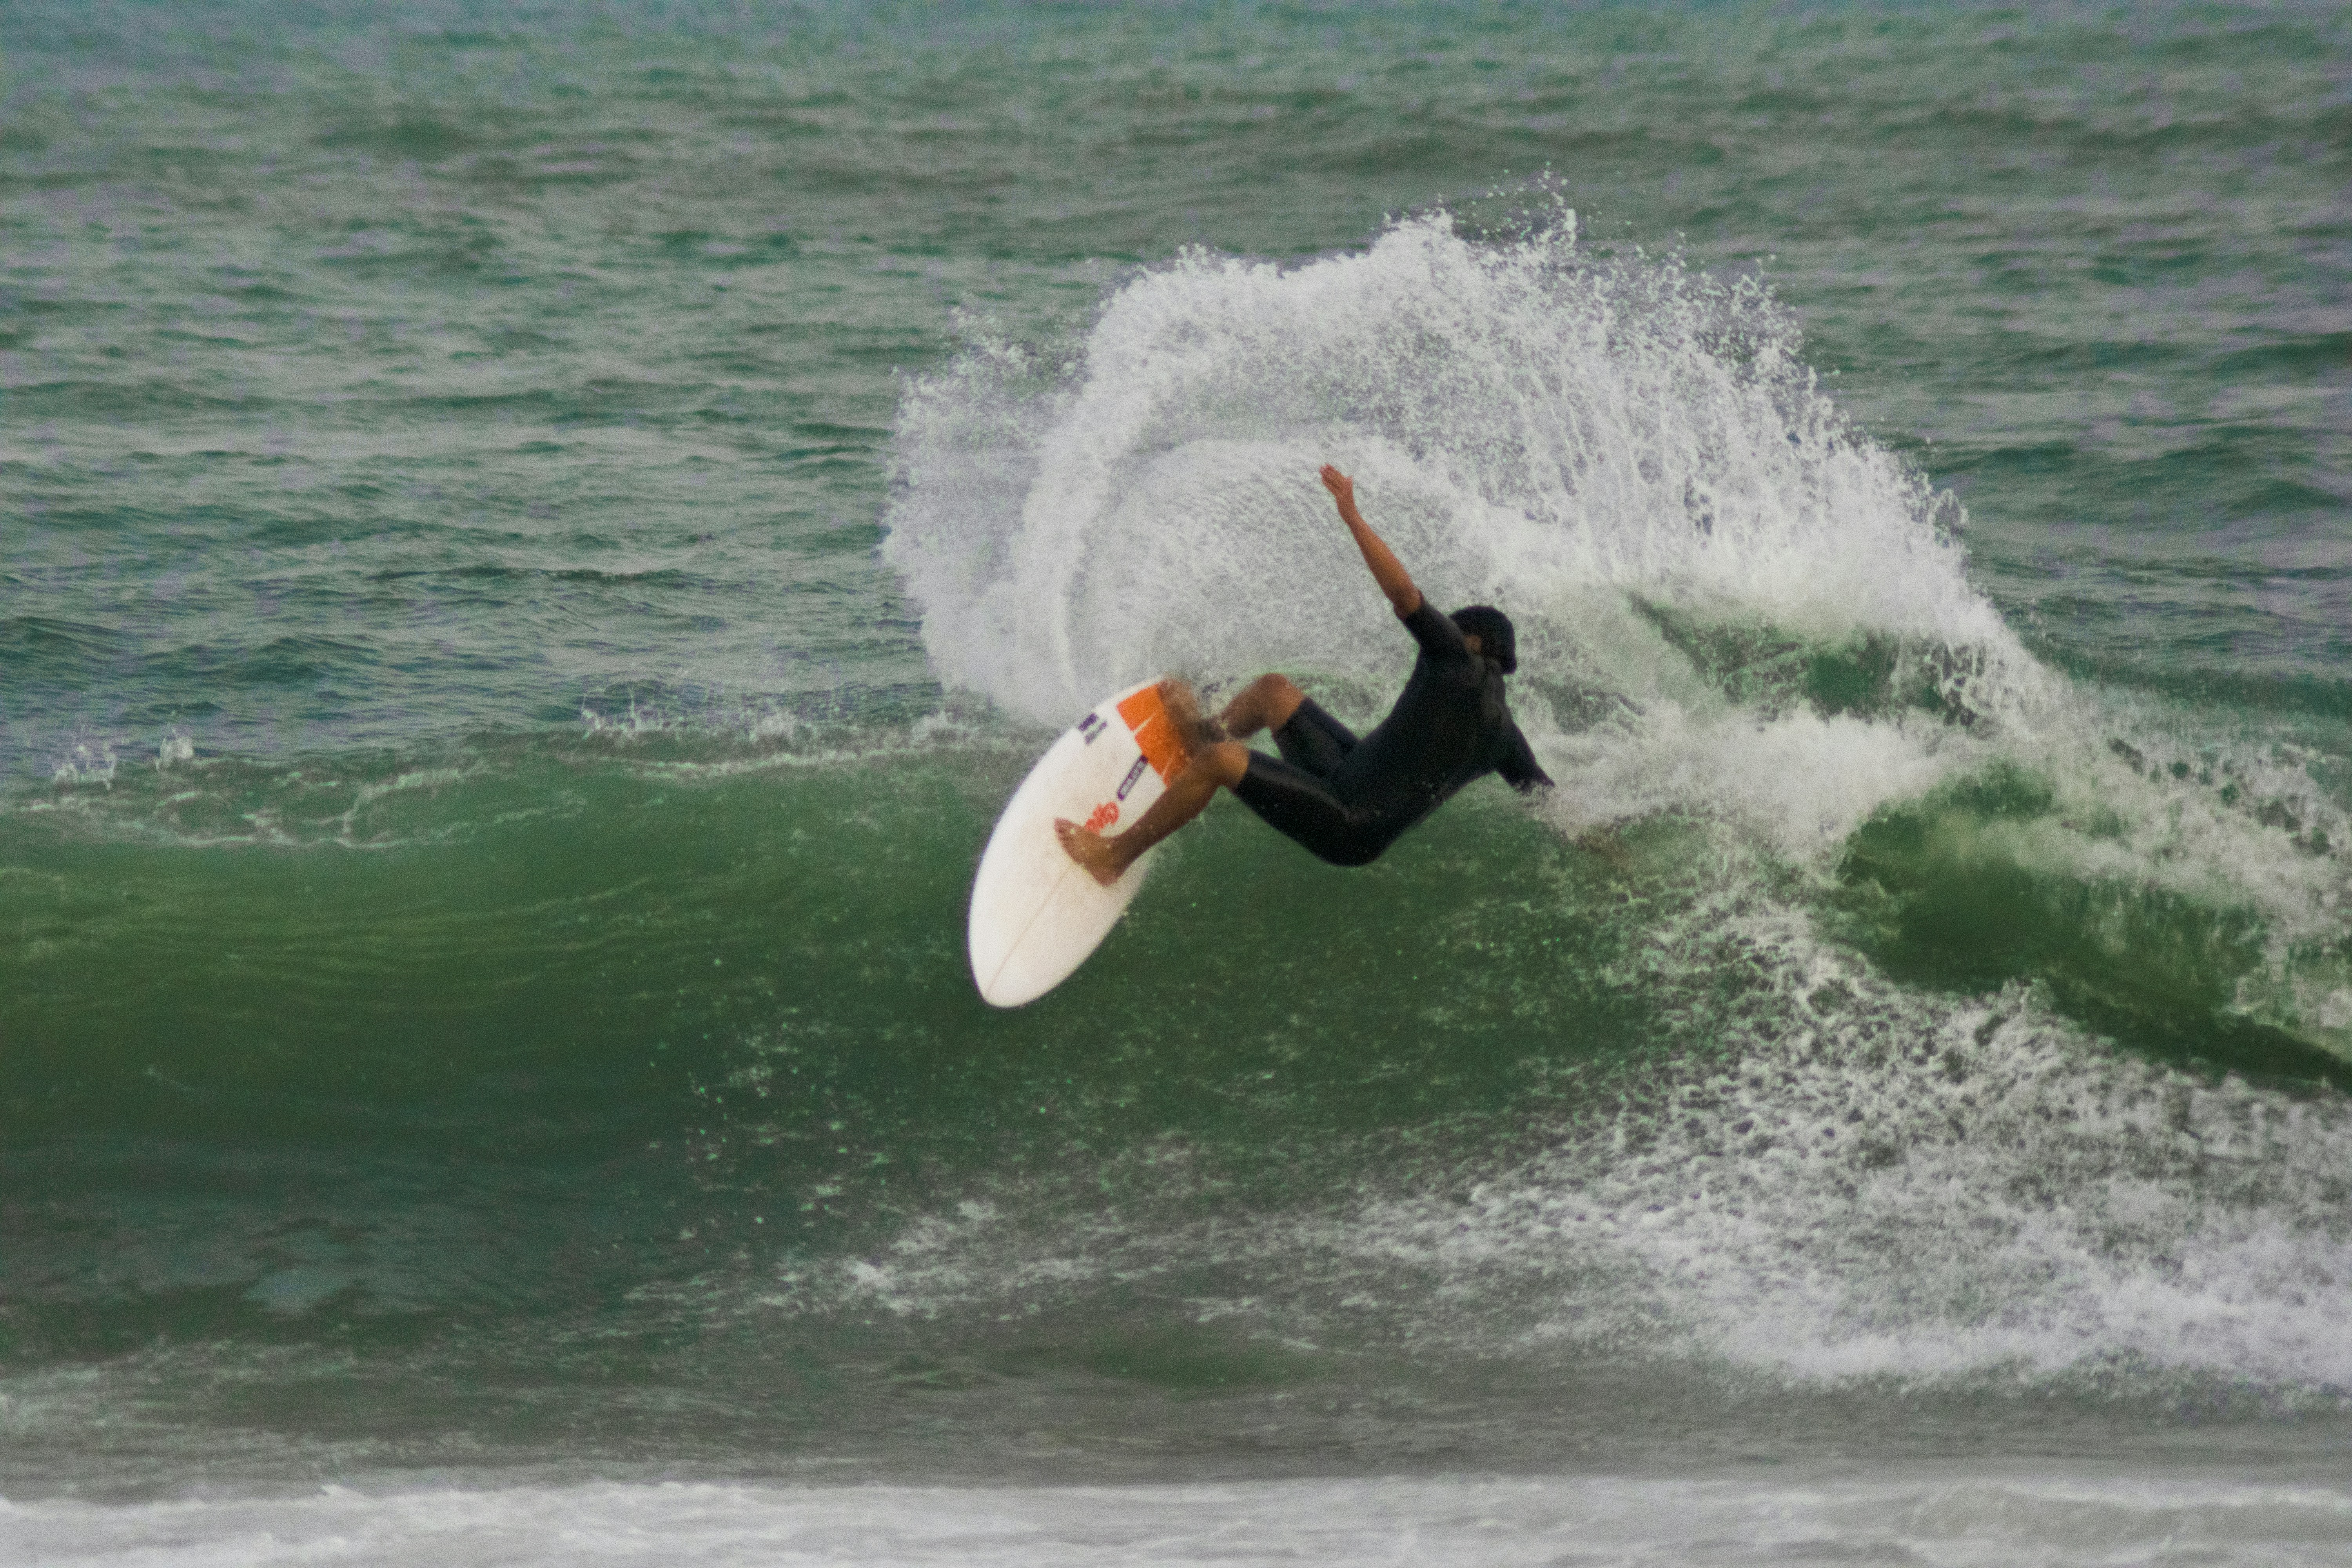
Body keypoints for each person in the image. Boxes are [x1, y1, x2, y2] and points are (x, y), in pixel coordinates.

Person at [1056, 465, 1552, 884]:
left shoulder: (1460, 662)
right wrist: (1597, 843)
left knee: (1224, 762)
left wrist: (1352, 516)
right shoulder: (1505, 737)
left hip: (1348, 822)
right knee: (1273, 691)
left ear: (1473, 642)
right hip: (1350, 769)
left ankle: (1113, 857)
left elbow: (1405, 596)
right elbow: (1547, 799)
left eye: (1453, 630)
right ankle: (1200, 737)